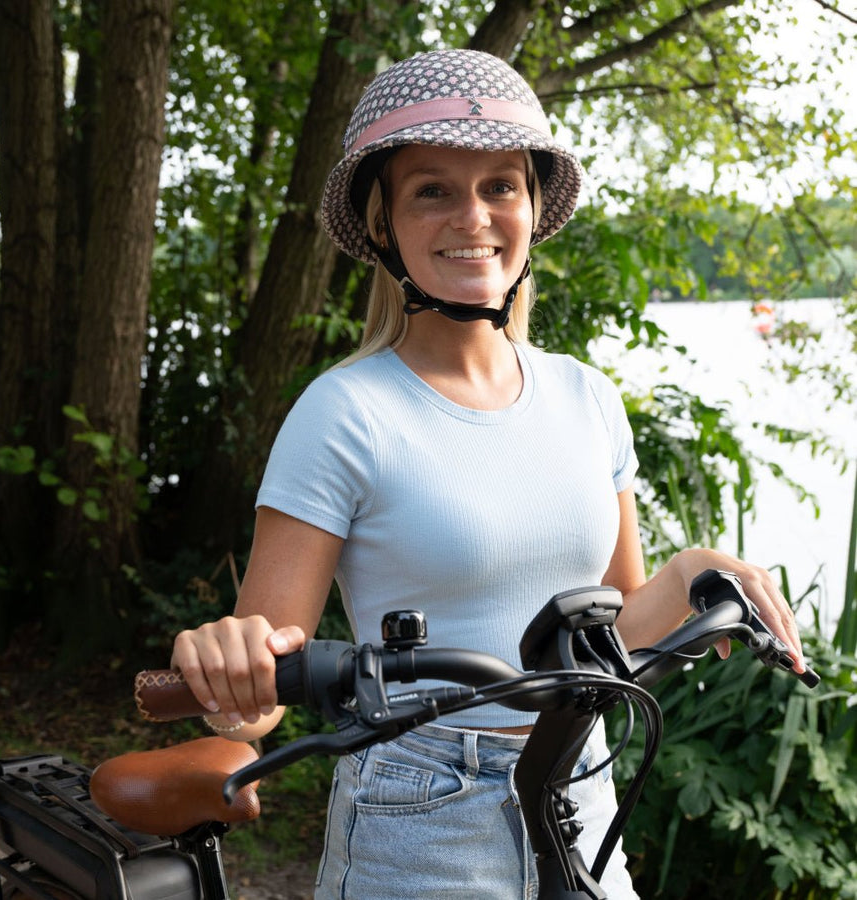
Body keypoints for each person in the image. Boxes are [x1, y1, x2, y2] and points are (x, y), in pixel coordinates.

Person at [171, 49, 805, 899]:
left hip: (581, 792)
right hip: (419, 813)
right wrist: (230, 668)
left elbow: (613, 633)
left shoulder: (588, 398)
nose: (473, 215)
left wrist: (688, 573)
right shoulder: (346, 413)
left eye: (500, 186)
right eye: (432, 189)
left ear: (533, 208)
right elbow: (261, 688)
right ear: (386, 223)